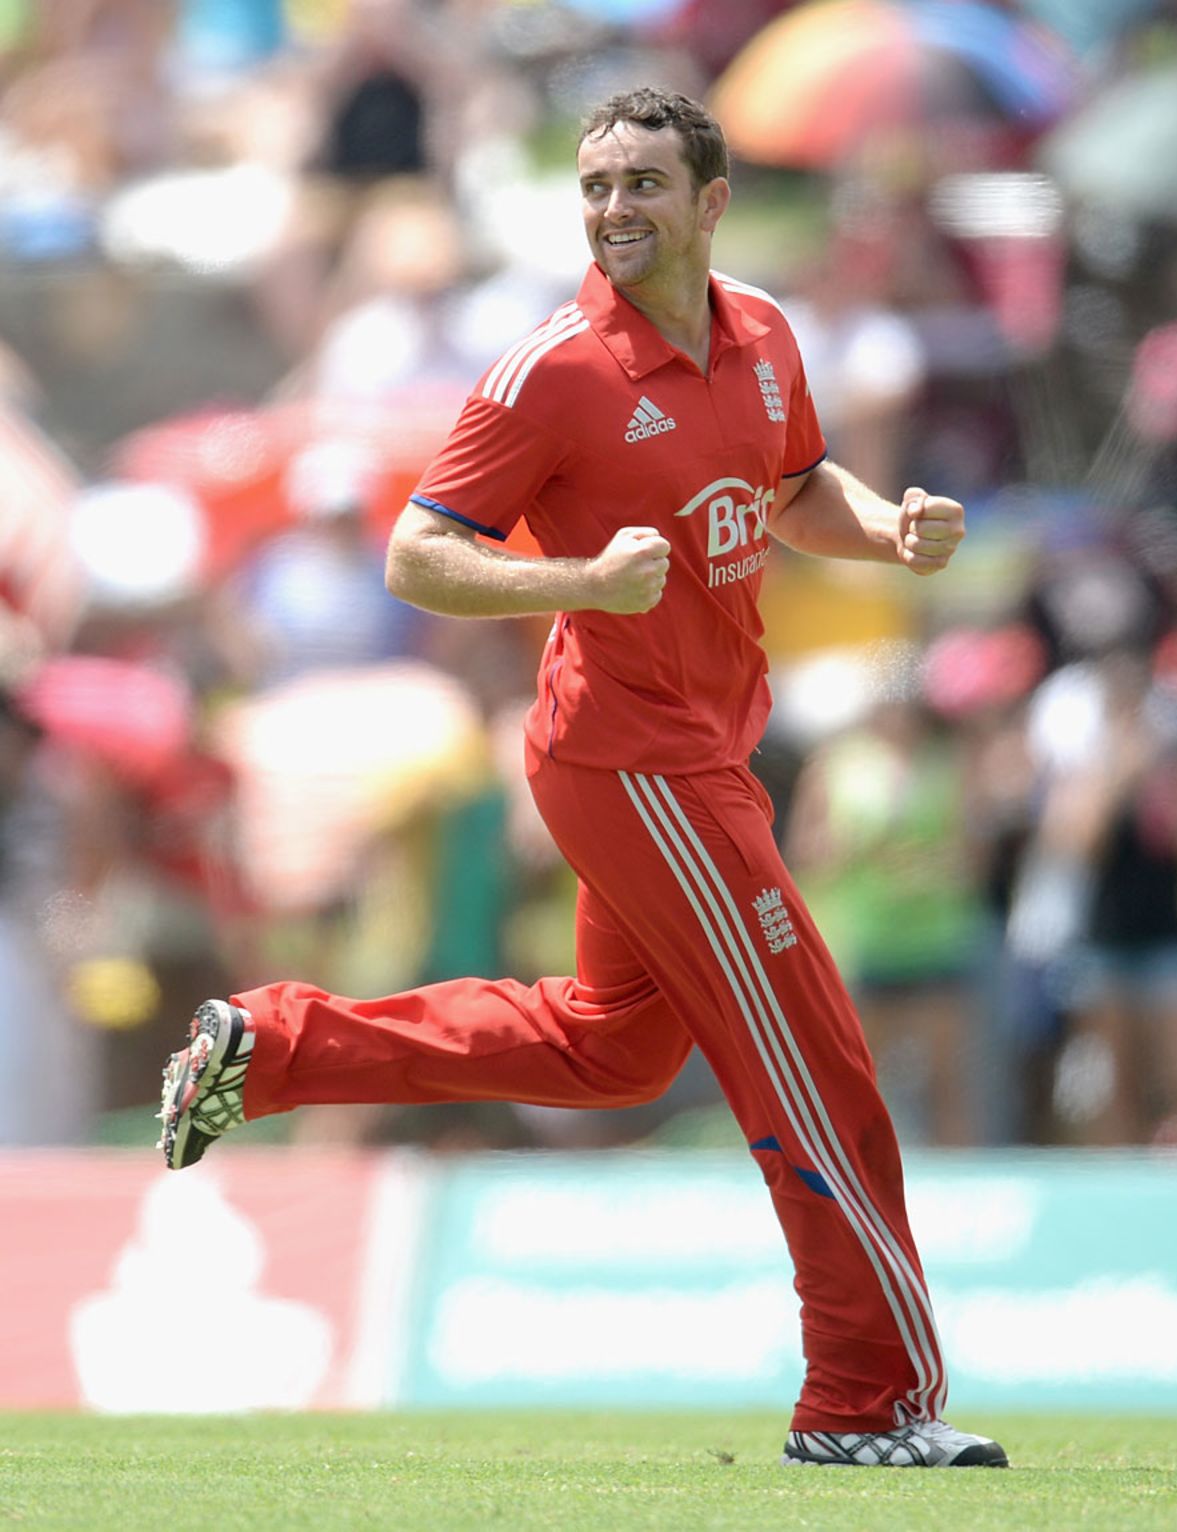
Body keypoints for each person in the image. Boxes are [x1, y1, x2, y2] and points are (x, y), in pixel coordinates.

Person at [157, 87, 1007, 1471]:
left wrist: (887, 528)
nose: (614, 210)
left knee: (614, 1053)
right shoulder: (549, 368)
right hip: (633, 758)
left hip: (703, 748)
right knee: (811, 1056)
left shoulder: (765, 332)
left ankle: (277, 1047)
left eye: (643, 185)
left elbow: (796, 489)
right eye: (597, 186)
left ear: (712, 202)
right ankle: (865, 1404)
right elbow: (419, 555)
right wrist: (581, 584)